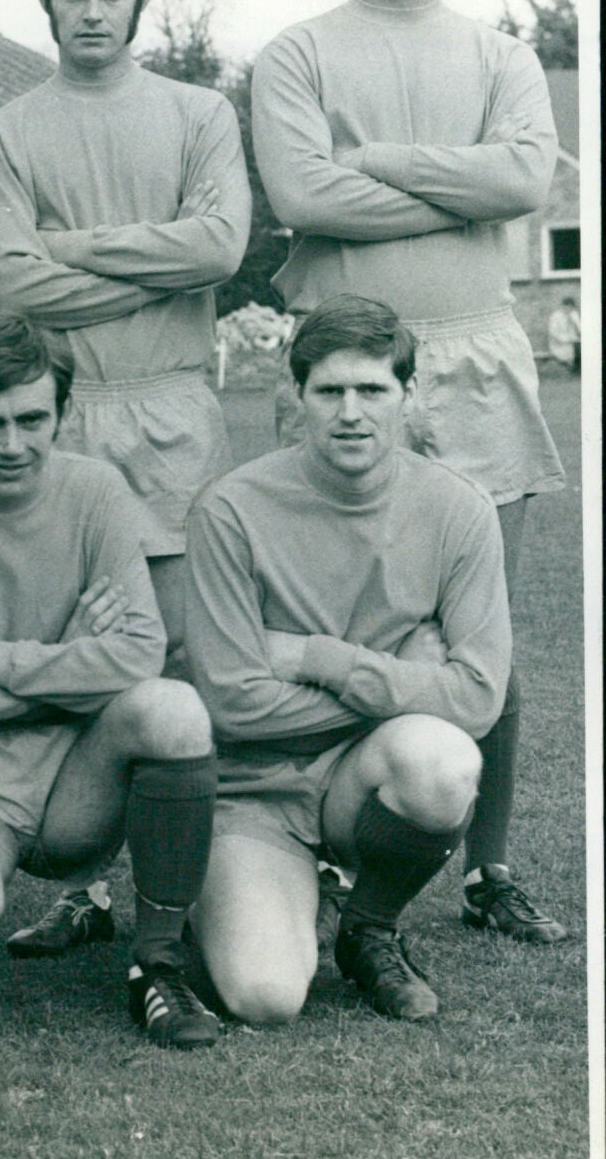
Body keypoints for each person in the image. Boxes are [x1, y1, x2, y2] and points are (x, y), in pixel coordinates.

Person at [253, 0, 565, 941]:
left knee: (484, 630)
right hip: (339, 358)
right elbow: (300, 191)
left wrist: (372, 162)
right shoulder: (297, 53)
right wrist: (460, 187)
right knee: (332, 611)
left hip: (473, 352)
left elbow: (529, 176)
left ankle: (487, 870)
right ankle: (327, 843)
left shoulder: (498, 56)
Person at [0, 0, 248, 960]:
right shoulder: (3, 130)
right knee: (74, 644)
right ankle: (80, 881)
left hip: (170, 404)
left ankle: (167, 896)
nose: (92, 12)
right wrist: (153, 257)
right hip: (63, 417)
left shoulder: (197, 112)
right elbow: (13, 281)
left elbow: (218, 244)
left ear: (138, 1)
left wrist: (74, 248)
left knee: (176, 651)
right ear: (46, 2)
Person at [0, 314, 221, 1049]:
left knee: (173, 711)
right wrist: (64, 657)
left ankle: (158, 962)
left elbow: (135, 657)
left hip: (72, 779)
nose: (12, 443)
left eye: (33, 419)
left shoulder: (98, 492)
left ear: (63, 413)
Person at [186, 297, 506, 1023]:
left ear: (410, 396)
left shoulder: (460, 509)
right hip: (253, 783)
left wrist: (315, 657)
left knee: (443, 759)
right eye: (329, 391)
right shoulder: (230, 510)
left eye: (373, 390)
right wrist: (404, 673)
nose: (351, 412)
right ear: (295, 395)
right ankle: (226, 894)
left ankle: (368, 925)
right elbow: (233, 702)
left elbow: (480, 698)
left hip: (365, 770)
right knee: (266, 999)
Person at [546, 297, 579, 377]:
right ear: (563, 306)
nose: (569, 309)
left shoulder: (573, 315)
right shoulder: (555, 317)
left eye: (571, 307)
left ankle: (578, 370)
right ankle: (574, 370)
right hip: (559, 344)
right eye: (568, 307)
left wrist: (575, 320)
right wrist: (569, 339)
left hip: (572, 342)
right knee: (572, 350)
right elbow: (553, 333)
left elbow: (579, 329)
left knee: (580, 347)